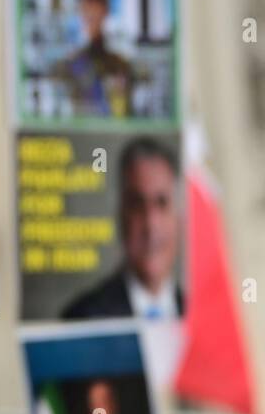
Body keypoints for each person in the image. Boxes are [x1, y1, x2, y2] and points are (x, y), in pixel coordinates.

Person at [62, 137, 183, 320]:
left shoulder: (202, 316)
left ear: (179, 217)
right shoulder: (82, 318)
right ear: (120, 214)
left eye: (162, 203)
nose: (151, 223)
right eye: (137, 204)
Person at [52, 0, 135, 118]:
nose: (89, 11)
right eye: (85, 2)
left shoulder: (122, 67)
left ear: (106, 9)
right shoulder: (64, 68)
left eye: (95, 2)